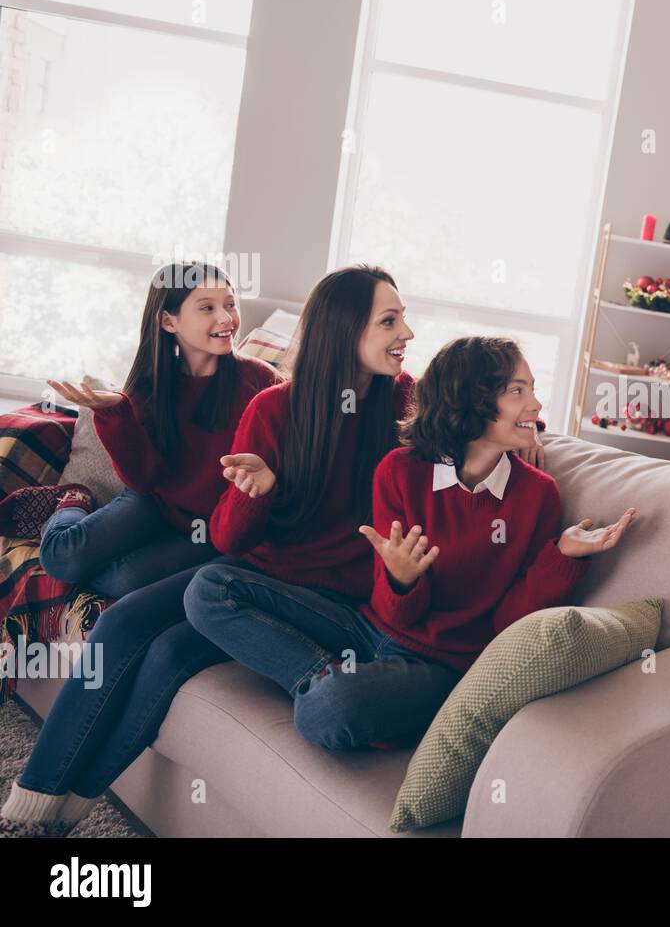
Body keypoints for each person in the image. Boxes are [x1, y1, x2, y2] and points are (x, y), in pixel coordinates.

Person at [0, 264, 408, 837]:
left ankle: (57, 803)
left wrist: (514, 442)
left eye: (402, 319)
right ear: (345, 330)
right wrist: (256, 490)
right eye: (391, 321)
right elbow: (225, 531)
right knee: (122, 623)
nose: (407, 334)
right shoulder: (275, 408)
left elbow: (464, 427)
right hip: (242, 558)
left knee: (165, 649)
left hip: (314, 589)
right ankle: (39, 806)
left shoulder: (404, 404)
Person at [186, 336, 635, 749]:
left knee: (328, 711)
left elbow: (506, 625)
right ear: (472, 400)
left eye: (531, 389)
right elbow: (391, 609)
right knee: (209, 588)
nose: (535, 404)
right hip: (367, 627)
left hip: (440, 665)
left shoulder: (537, 494)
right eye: (518, 391)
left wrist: (563, 557)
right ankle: (325, 677)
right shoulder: (400, 470)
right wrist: (401, 581)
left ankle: (341, 690)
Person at [0, 263, 278, 596]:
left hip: (213, 528)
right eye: (208, 308)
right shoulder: (151, 387)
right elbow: (144, 478)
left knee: (121, 582)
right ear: (168, 321)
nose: (226, 318)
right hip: (155, 503)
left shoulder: (260, 381)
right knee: (62, 559)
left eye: (230, 304)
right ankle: (71, 500)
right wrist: (114, 413)